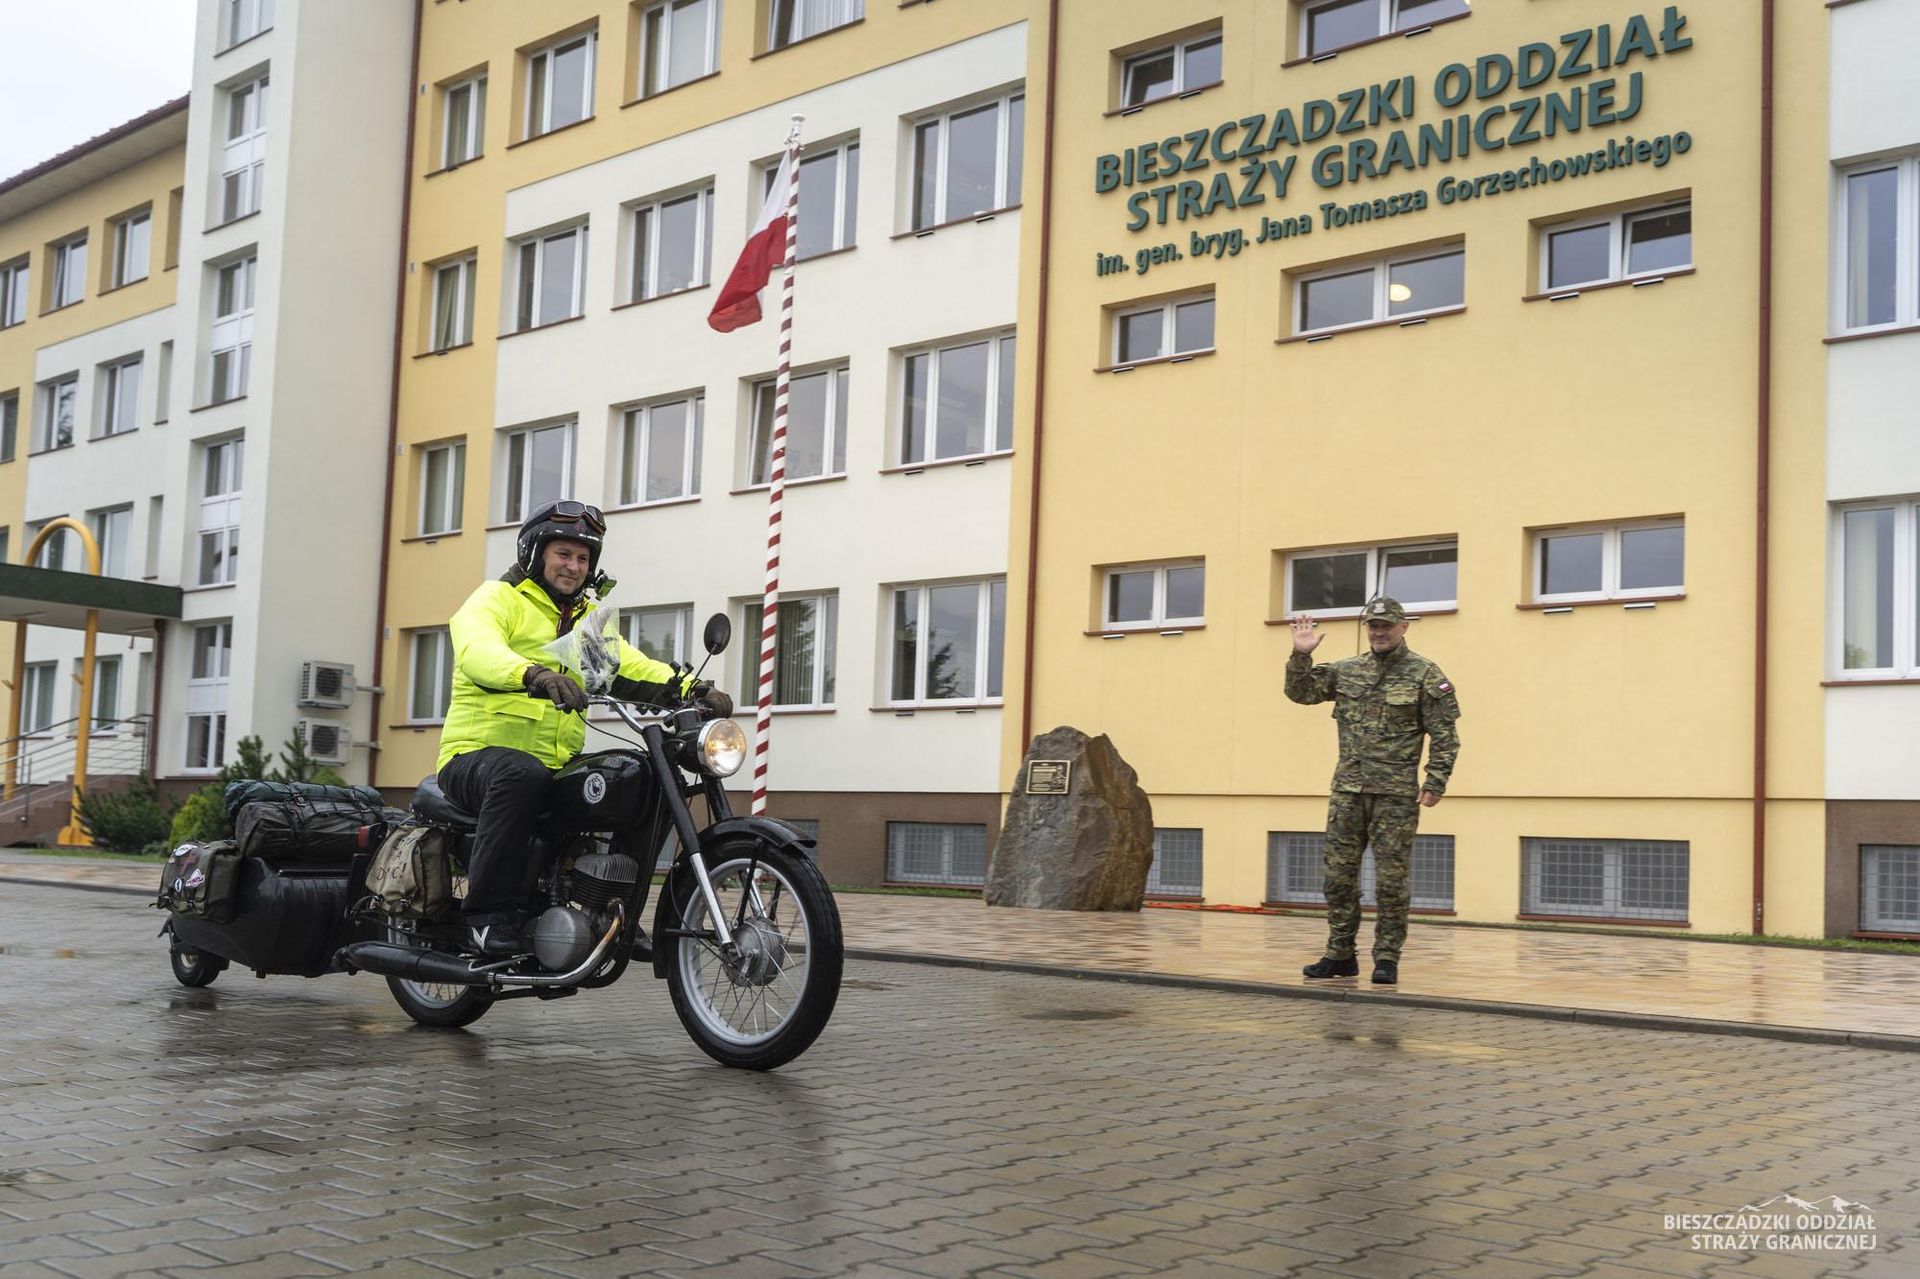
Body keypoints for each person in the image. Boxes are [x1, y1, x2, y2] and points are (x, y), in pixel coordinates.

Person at [436, 500, 733, 956]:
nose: (574, 566)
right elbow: (478, 650)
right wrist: (534, 674)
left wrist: (692, 689)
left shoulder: (583, 620)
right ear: (536, 552)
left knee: (641, 777)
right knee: (521, 774)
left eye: (583, 558)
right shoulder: (497, 598)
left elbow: (628, 668)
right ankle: (485, 917)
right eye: (563, 554)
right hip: (474, 758)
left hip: (554, 765)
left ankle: (616, 914)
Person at [1284, 596, 1460, 985]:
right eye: (1373, 626)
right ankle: (1340, 954)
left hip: (1395, 796)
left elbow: (1445, 736)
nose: (1379, 632)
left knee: (1390, 881)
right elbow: (1301, 693)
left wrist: (1435, 782)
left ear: (1403, 627)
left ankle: (1386, 958)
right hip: (1348, 792)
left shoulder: (1426, 675)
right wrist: (1301, 656)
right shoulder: (1348, 670)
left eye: (1386, 626)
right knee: (1337, 877)